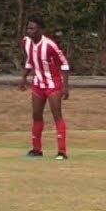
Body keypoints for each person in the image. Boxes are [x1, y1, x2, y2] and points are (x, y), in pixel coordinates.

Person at [19, 17, 70, 160]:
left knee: (56, 114)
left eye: (33, 28)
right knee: (36, 114)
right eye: (28, 28)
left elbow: (64, 64)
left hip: (53, 84)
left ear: (40, 30)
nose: (30, 31)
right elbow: (30, 60)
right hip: (38, 83)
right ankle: (36, 149)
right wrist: (24, 78)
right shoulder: (26, 42)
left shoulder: (49, 45)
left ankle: (62, 152)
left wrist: (65, 86)